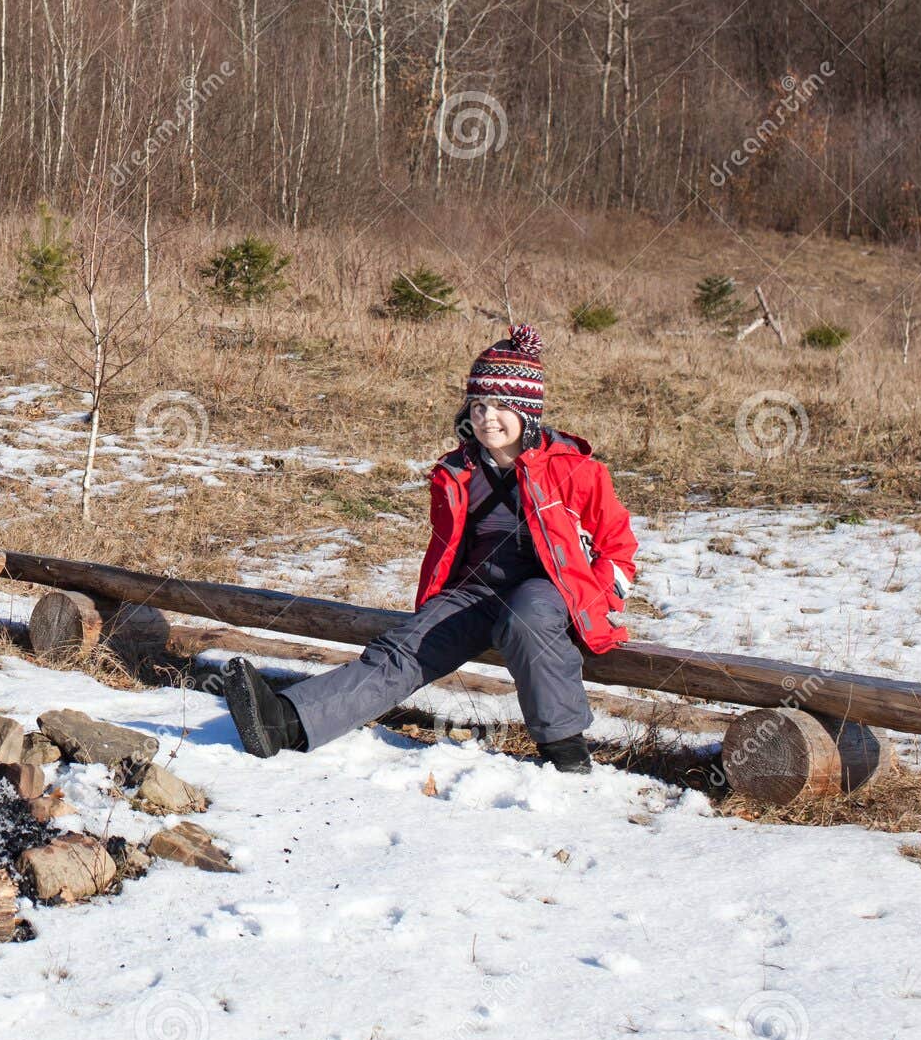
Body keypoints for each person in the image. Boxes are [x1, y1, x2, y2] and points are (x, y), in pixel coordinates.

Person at [222, 323, 638, 774]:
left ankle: (565, 748)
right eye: (478, 405)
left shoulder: (576, 470)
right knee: (405, 647)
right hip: (477, 590)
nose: (486, 418)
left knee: (528, 617)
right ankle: (284, 722)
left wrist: (595, 600)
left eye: (501, 406)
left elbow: (618, 546)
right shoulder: (457, 471)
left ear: (528, 411)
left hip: (548, 588)